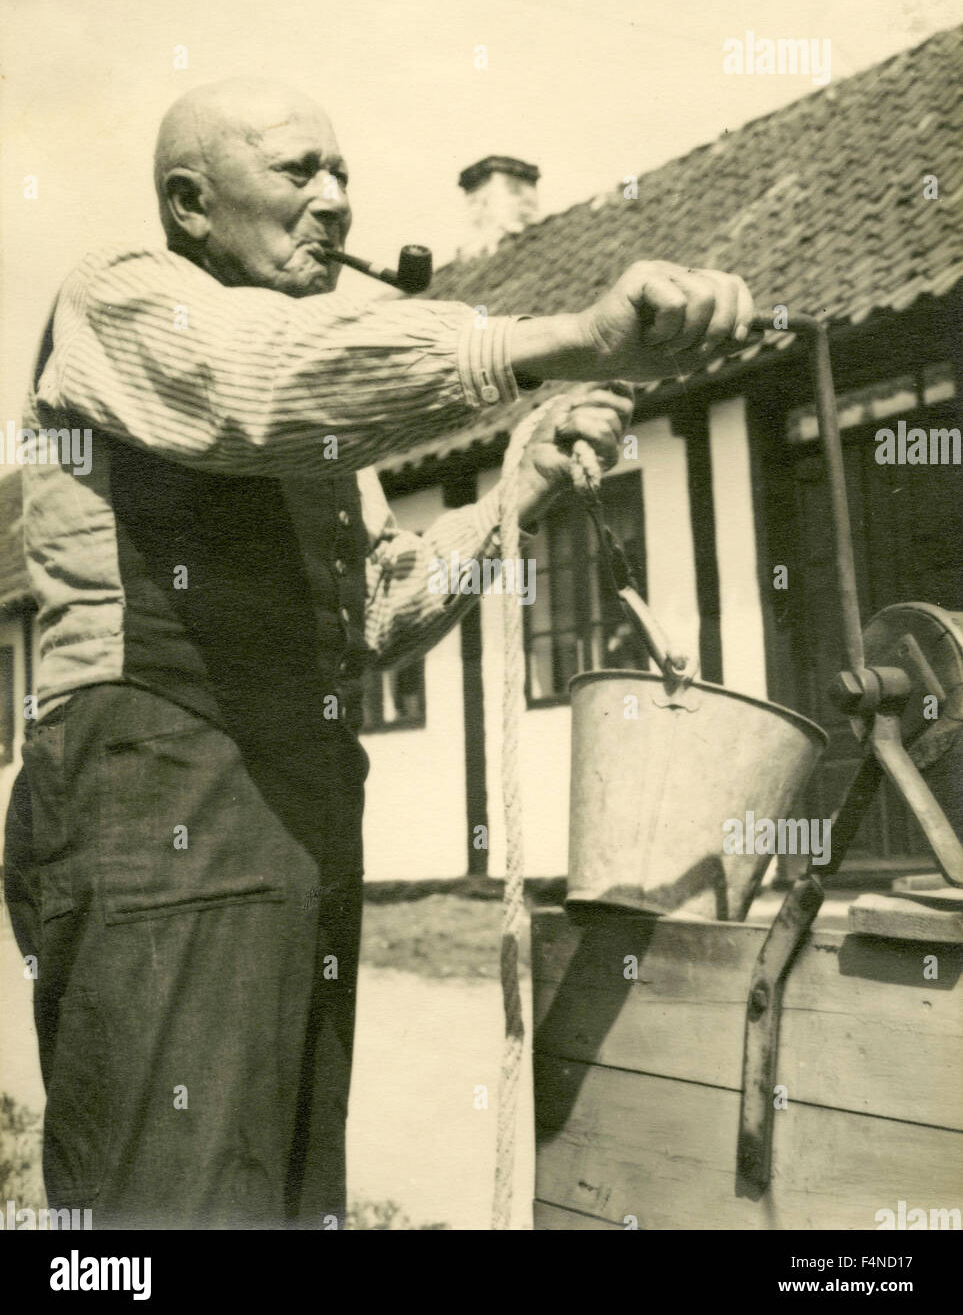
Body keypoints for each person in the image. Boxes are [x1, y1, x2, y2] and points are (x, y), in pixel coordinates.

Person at [3, 77, 754, 1229]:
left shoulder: (328, 426)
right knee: (165, 1210)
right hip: (154, 802)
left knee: (292, 1199)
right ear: (190, 203)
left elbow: (377, 611)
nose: (337, 199)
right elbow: (250, 378)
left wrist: (533, 478)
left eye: (343, 172)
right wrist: (557, 339)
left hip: (295, 816)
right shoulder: (125, 298)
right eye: (299, 172)